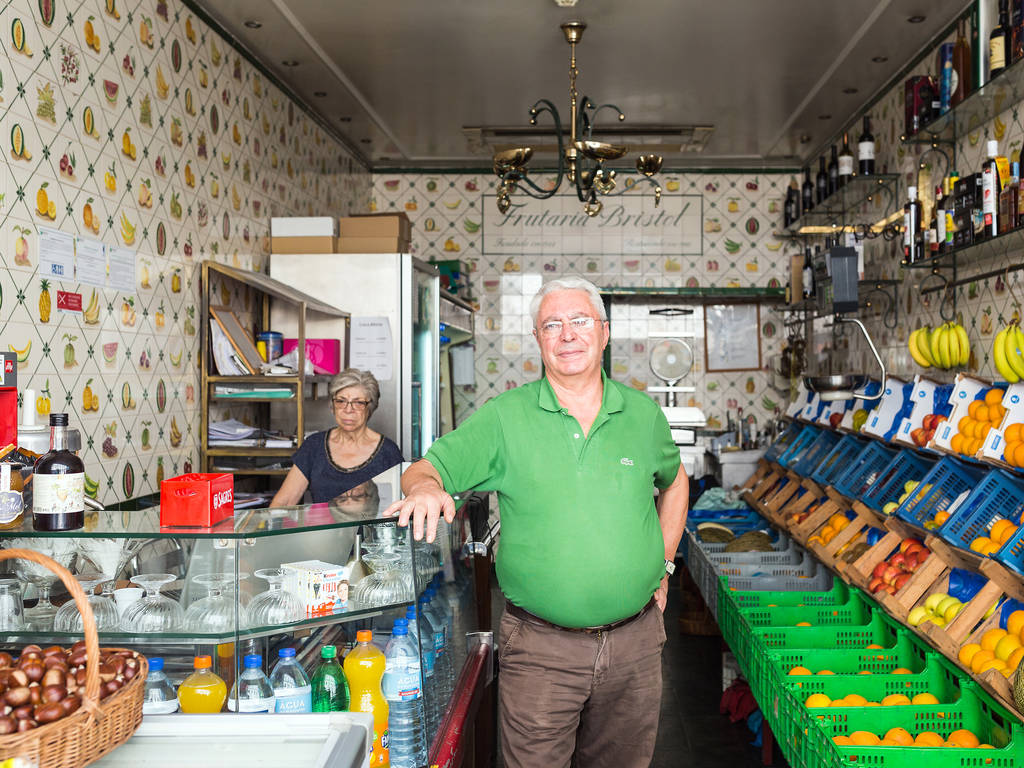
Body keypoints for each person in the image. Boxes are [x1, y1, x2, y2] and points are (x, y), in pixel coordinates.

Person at [385, 276, 689, 768]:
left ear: (604, 332)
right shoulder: (505, 418)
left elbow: (675, 482)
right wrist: (423, 487)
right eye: (552, 324)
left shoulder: (643, 415)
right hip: (541, 650)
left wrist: (667, 564)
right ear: (539, 340)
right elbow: (426, 469)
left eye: (579, 321)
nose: (567, 334)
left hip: (635, 645)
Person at [271, 368, 403, 505]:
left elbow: (399, 504)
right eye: (341, 401)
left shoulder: (388, 451)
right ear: (332, 406)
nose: (348, 409)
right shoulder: (314, 445)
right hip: (323, 526)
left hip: (369, 527)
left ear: (370, 407)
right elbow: (285, 501)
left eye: (358, 403)